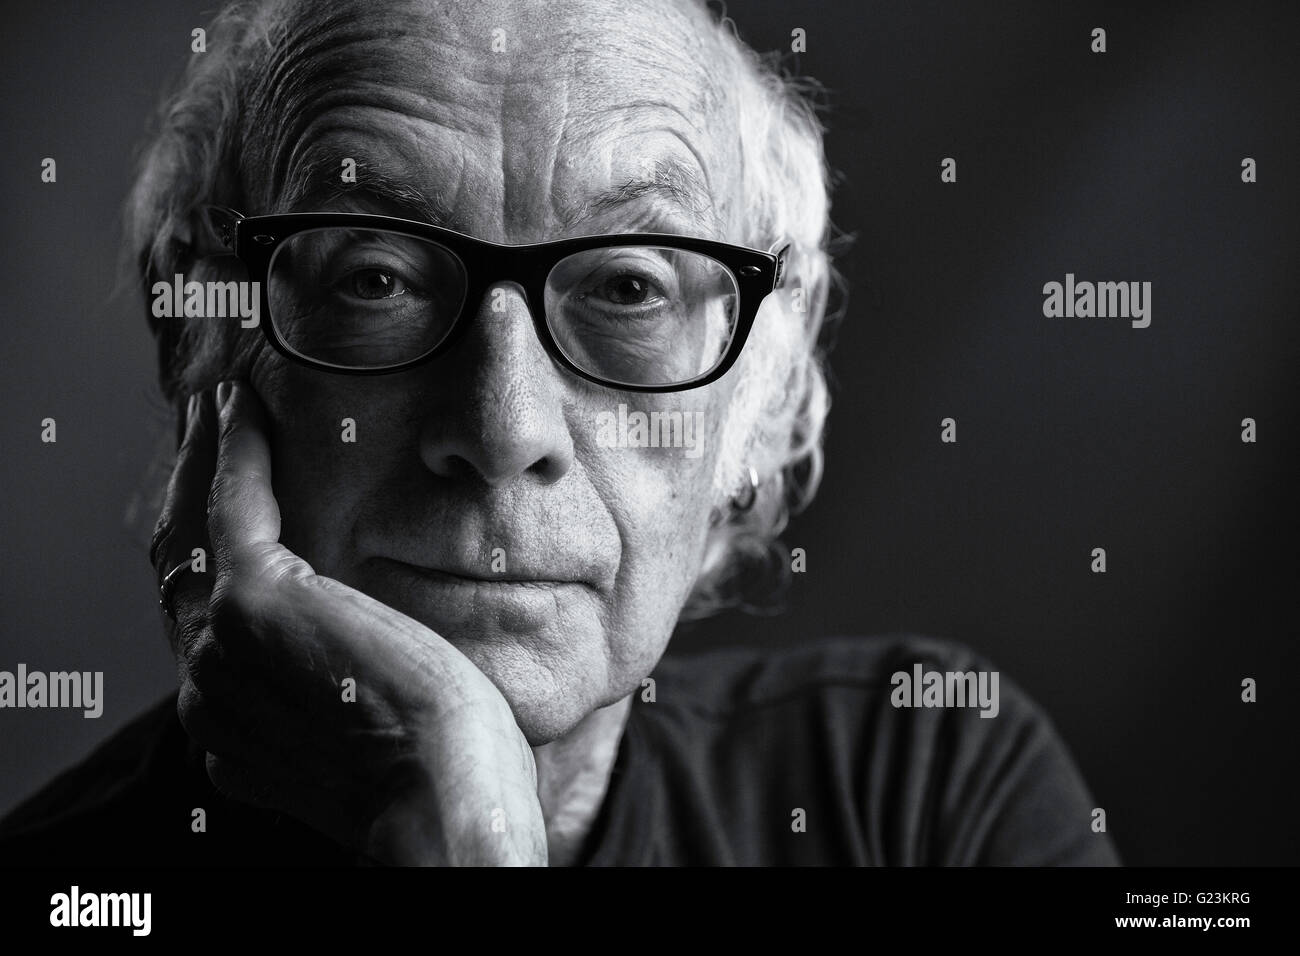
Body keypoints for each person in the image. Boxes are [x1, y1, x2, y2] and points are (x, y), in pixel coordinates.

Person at [0, 0, 1118, 866]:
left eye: (627, 288)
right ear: (205, 339)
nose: (503, 426)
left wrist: (462, 831)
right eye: (377, 276)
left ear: (757, 402)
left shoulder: (925, 789)